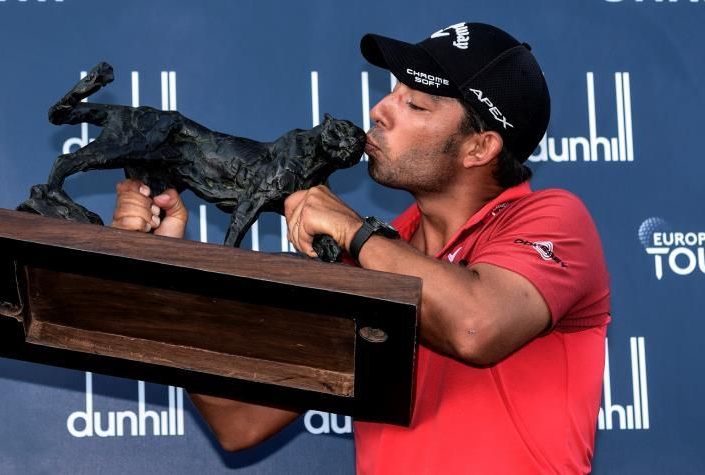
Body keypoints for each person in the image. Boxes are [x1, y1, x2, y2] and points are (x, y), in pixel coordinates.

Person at [112, 22, 610, 475]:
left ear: (479, 148)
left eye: (415, 104)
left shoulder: (553, 220)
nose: (379, 110)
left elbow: (475, 327)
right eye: (392, 93)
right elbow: (241, 422)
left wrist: (355, 230)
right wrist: (163, 269)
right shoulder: (369, 259)